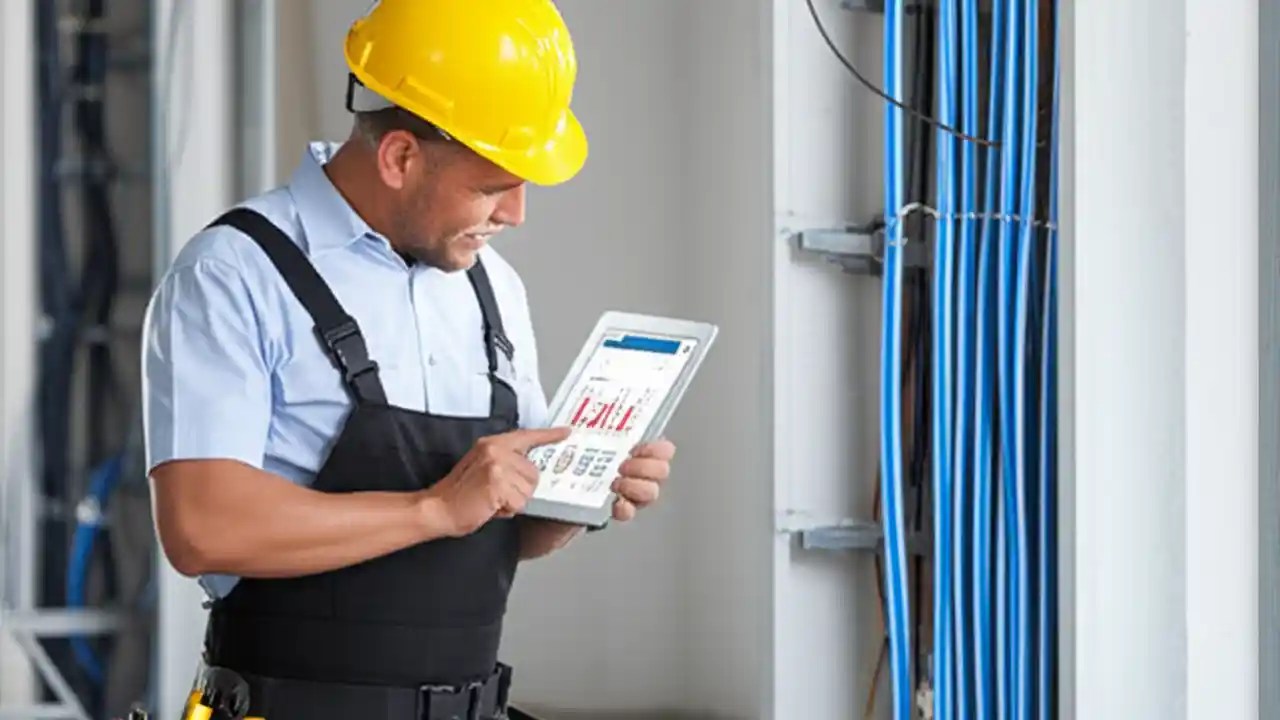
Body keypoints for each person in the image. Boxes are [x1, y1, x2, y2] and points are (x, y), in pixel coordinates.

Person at [140, 2, 676, 718]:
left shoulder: (494, 290)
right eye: (493, 186)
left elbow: (494, 531)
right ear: (399, 155)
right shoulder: (235, 273)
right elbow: (201, 529)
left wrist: (578, 499)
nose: (516, 214)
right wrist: (432, 508)